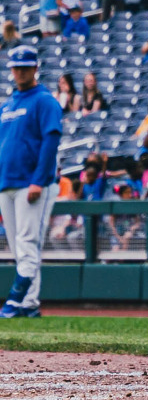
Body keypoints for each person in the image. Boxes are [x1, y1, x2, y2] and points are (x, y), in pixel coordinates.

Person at [0, 46, 63, 318]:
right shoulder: (8, 104)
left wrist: (38, 180)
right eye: (16, 67)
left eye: (25, 67)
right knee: (18, 246)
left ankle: (15, 301)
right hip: (7, 182)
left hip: (32, 183)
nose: (20, 72)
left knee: (27, 242)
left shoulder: (44, 100)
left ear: (35, 68)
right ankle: (29, 303)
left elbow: (51, 141)